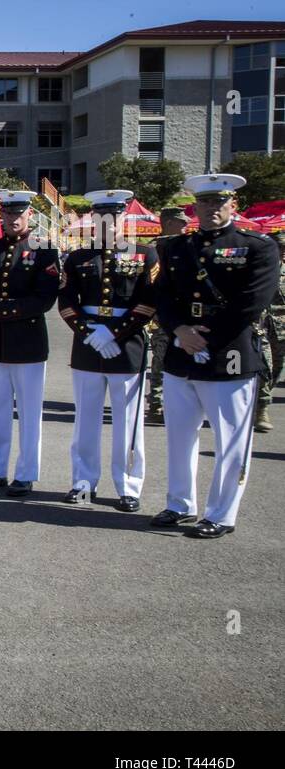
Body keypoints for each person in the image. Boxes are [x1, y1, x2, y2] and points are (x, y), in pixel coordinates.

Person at [149, 173, 278, 539]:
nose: (212, 209)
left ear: (233, 204)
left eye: (220, 202)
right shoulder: (176, 248)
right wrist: (179, 331)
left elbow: (252, 301)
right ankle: (179, 503)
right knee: (179, 434)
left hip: (228, 351)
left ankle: (221, 513)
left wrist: (205, 338)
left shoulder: (257, 246)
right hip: (181, 351)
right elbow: (162, 295)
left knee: (231, 440)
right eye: (205, 202)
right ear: (195, 207)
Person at [58, 189, 158, 513]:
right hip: (87, 347)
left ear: (122, 219)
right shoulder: (76, 259)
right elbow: (67, 303)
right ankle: (83, 483)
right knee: (85, 421)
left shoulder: (144, 255)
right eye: (100, 218)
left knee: (128, 423)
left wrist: (113, 332)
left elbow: (148, 303)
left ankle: (128, 486)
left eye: (113, 218)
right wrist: (90, 333)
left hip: (127, 347)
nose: (107, 224)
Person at [0, 190, 60, 496]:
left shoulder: (44, 249)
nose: (12, 219)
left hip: (28, 344)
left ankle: (25, 473)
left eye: (18, 213)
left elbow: (44, 299)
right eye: (7, 214)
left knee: (28, 413)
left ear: (30, 215)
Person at [145, 206, 193, 423]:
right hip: (160, 314)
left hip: (186, 314)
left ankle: (180, 403)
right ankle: (156, 403)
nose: (185, 226)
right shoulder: (153, 248)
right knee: (161, 358)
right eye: (181, 222)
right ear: (168, 223)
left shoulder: (191, 247)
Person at [252, 233, 285, 432]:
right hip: (260, 327)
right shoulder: (258, 270)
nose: (281, 251)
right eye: (279, 247)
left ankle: (258, 400)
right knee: (265, 366)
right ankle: (261, 409)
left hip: (281, 329)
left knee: (277, 370)